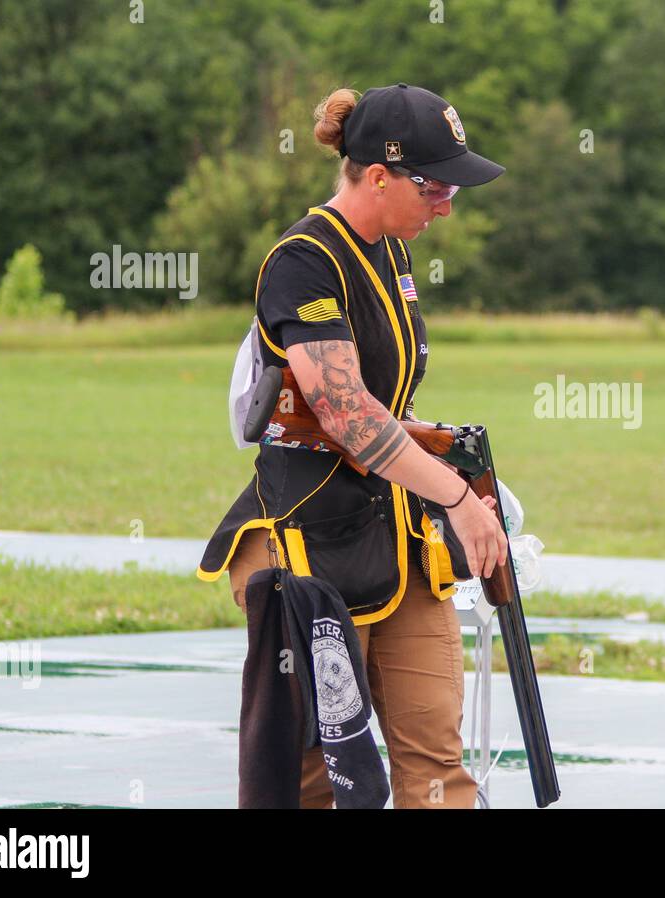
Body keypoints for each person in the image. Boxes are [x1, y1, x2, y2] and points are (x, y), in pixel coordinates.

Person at [197, 83, 509, 809]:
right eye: (435, 186)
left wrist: (449, 453)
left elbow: (384, 406)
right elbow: (348, 416)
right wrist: (457, 496)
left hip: (393, 532)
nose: (448, 204)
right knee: (314, 773)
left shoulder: (392, 253)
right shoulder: (303, 261)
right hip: (304, 542)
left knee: (436, 760)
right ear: (377, 177)